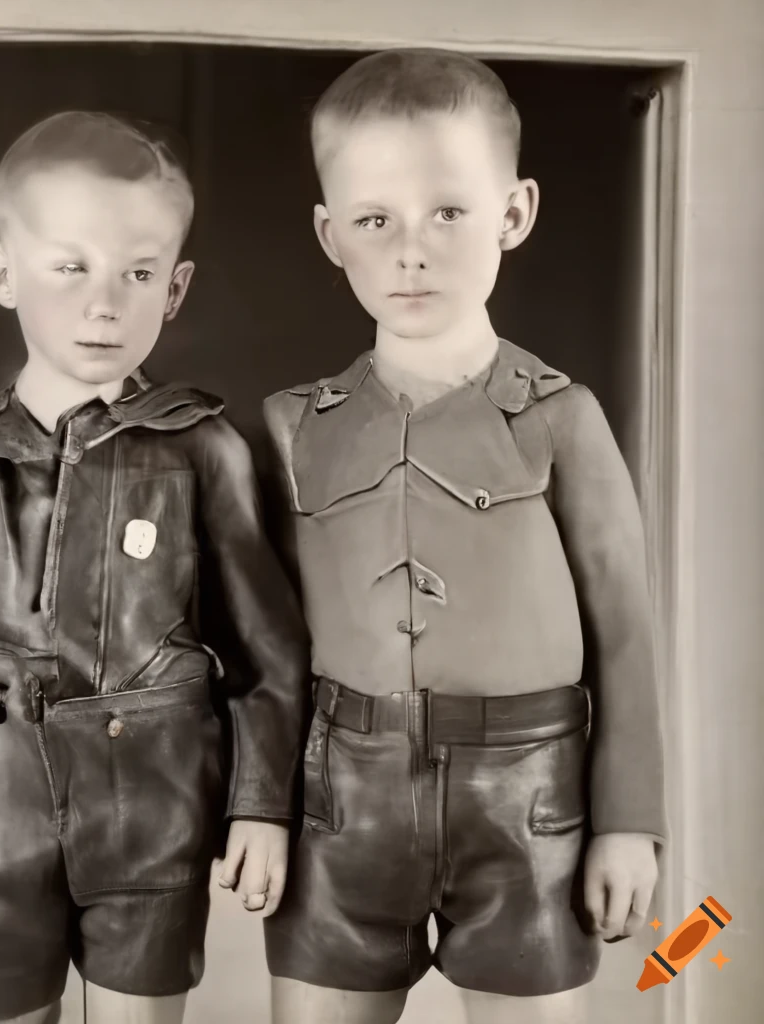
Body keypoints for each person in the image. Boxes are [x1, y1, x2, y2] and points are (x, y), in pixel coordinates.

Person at [0, 110, 308, 1024]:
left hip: (157, 806)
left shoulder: (205, 449)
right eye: (71, 266)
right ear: (2, 272)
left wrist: (262, 805)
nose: (105, 302)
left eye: (138, 273)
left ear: (175, 289)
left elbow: (266, 651)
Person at [262, 49, 665, 1024]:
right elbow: (263, 656)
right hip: (341, 800)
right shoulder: (290, 427)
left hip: (527, 798)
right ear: (330, 235)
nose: (411, 250)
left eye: (447, 211)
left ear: (513, 214)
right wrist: (253, 814)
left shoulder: (560, 417)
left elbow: (623, 633)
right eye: (374, 220)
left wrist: (629, 824)